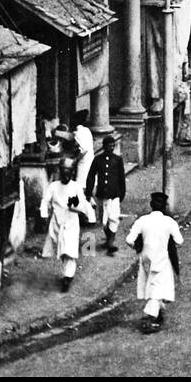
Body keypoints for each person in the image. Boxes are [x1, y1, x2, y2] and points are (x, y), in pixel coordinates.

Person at [126, 191, 184, 333]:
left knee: (152, 286)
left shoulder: (142, 221)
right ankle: (149, 318)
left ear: (151, 205)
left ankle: (158, 313)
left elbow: (129, 240)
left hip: (146, 259)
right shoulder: (169, 222)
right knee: (157, 289)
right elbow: (179, 241)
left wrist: (139, 249)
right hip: (162, 260)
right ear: (164, 206)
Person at [41, 159, 92, 292]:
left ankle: (68, 277)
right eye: (63, 172)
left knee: (69, 249)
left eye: (68, 172)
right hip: (57, 221)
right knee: (62, 250)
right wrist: (44, 214)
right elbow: (45, 201)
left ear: (72, 173)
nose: (66, 175)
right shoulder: (53, 186)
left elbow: (82, 204)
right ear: (60, 172)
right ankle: (67, 274)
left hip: (71, 222)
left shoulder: (75, 187)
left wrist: (76, 207)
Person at [85, 134, 126, 255]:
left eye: (113, 146)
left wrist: (122, 193)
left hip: (114, 194)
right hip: (102, 194)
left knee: (113, 217)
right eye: (109, 146)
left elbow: (121, 177)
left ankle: (111, 242)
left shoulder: (118, 160)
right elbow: (91, 176)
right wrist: (88, 192)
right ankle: (108, 238)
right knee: (103, 221)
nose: (111, 148)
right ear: (104, 146)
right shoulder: (98, 160)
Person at [71, 110, 94, 194]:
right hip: (90, 159)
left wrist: (76, 160)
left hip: (84, 162)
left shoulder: (79, 132)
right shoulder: (87, 130)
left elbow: (83, 150)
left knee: (81, 185)